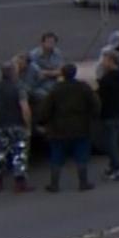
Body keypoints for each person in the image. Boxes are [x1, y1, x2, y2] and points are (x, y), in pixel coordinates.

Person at [38, 64, 99, 193]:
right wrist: (93, 118)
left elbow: (45, 110)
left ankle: (54, 184)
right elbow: (95, 104)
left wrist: (43, 122)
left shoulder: (55, 90)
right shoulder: (83, 88)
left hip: (58, 129)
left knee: (56, 157)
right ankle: (83, 182)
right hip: (81, 127)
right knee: (81, 156)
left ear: (62, 74)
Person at [0, 62, 33, 193]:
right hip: (16, 124)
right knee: (19, 153)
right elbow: (24, 107)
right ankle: (19, 183)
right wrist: (28, 125)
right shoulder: (19, 87)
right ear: (13, 73)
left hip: (0, 125)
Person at [96, 50, 119, 182]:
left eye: (105, 60)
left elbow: (101, 98)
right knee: (118, 141)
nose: (103, 63)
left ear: (111, 61)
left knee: (110, 144)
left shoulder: (106, 80)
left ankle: (117, 167)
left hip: (109, 115)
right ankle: (112, 166)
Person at [28, 32, 64, 103]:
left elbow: (61, 71)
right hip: (37, 85)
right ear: (42, 43)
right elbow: (36, 73)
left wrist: (47, 73)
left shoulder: (57, 53)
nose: (51, 44)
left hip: (52, 83)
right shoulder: (34, 55)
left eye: (53, 42)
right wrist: (53, 72)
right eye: (48, 42)